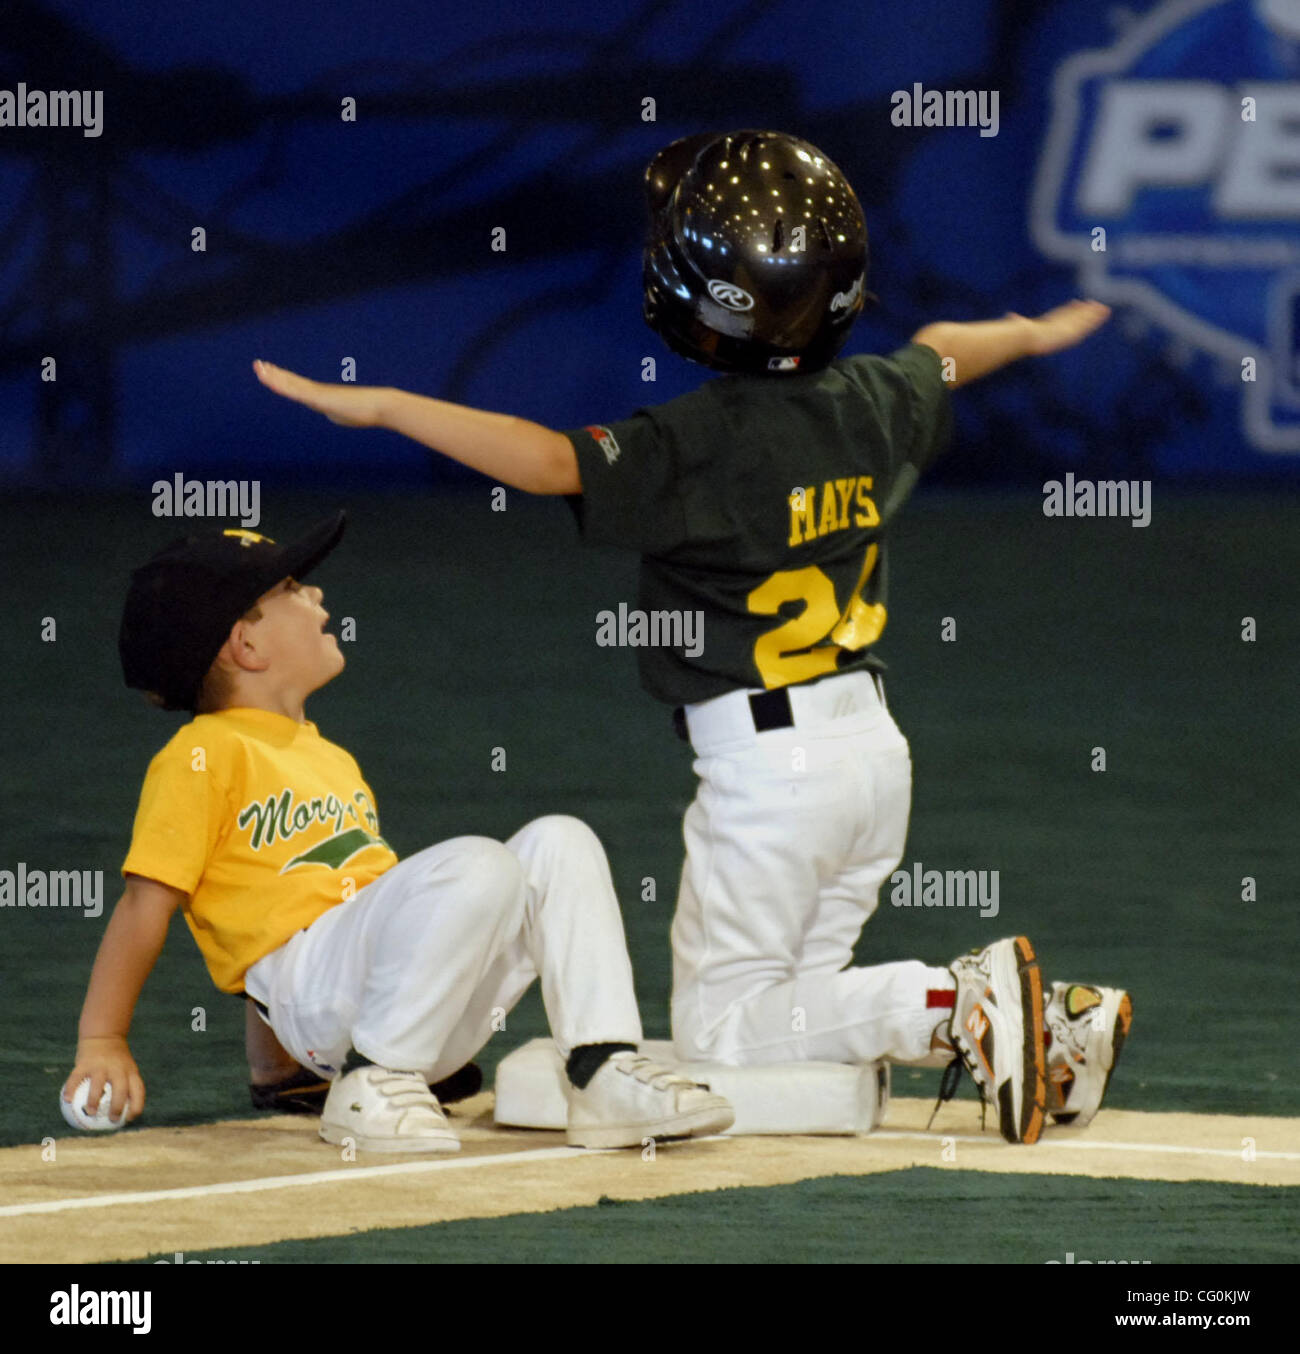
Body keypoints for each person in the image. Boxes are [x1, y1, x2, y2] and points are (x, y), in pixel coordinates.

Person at [251, 129, 1132, 1143]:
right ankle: (1052, 1028)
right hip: (872, 757)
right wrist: (1027, 330)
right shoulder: (875, 401)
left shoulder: (697, 440)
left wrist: (389, 406)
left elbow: (546, 462)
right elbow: (945, 349)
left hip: (770, 775)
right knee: (793, 1009)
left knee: (717, 1035)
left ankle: (958, 1000)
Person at [63, 513, 734, 1152]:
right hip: (326, 1001)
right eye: (293, 588)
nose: (319, 594)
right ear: (246, 645)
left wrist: (276, 1073)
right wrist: (103, 1038)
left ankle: (602, 1067)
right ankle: (370, 1082)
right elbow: (148, 906)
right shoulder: (201, 752)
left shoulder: (325, 754)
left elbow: (291, 896)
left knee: (561, 839)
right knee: (480, 864)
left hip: (391, 1005)